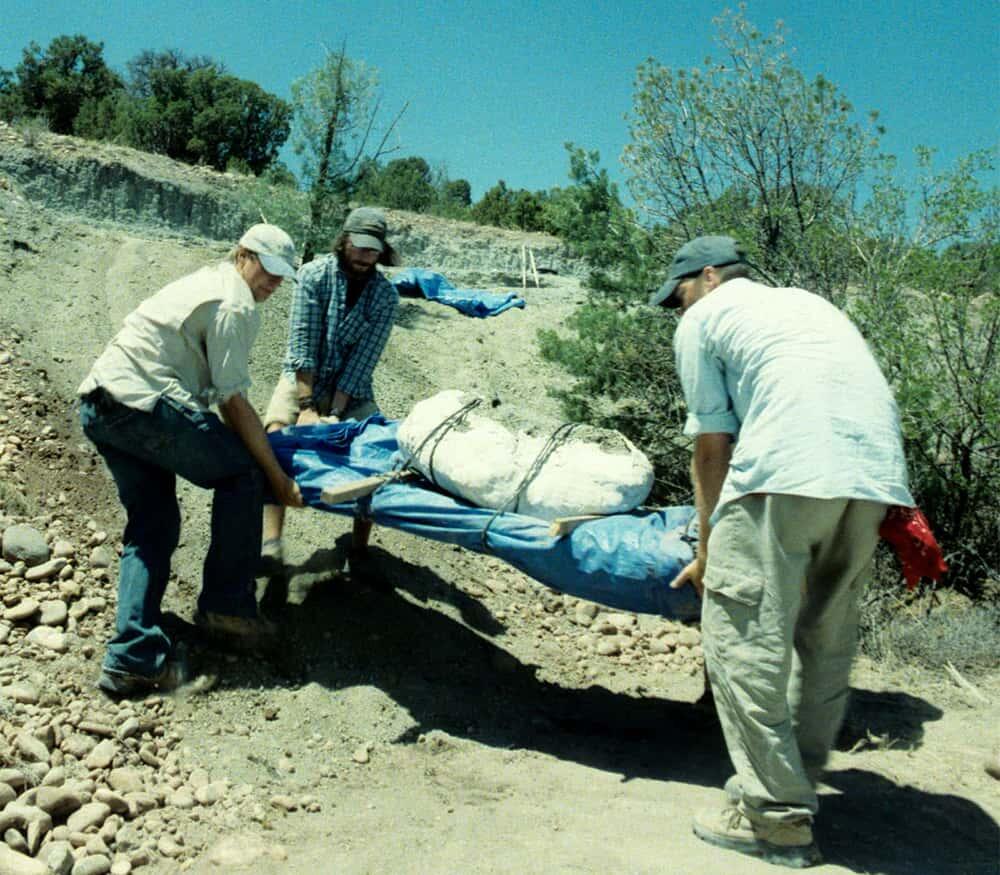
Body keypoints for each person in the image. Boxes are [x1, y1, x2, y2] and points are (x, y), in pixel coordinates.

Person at [650, 236, 913, 868]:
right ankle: (797, 789)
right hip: (873, 479)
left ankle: (777, 820)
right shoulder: (810, 305)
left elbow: (713, 446)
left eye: (678, 297)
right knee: (826, 639)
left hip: (785, 477)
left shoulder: (706, 319)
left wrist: (710, 551)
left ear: (708, 278)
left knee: (741, 640)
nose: (677, 312)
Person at [79, 224, 305, 697]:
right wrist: (277, 476)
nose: (274, 283)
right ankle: (228, 609)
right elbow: (234, 402)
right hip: (144, 402)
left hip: (102, 403)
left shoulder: (207, 281)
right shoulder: (235, 302)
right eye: (269, 270)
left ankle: (132, 658)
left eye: (283, 276)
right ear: (244, 254)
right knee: (244, 474)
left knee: (153, 523)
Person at [261, 207, 400, 563]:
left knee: (377, 449)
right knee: (275, 437)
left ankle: (359, 548)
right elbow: (302, 345)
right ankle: (271, 544)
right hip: (304, 377)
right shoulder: (313, 275)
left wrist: (336, 415)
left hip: (351, 388)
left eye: (374, 250)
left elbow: (362, 363)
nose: (365, 256)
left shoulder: (386, 297)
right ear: (344, 241)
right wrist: (307, 408)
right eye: (360, 247)